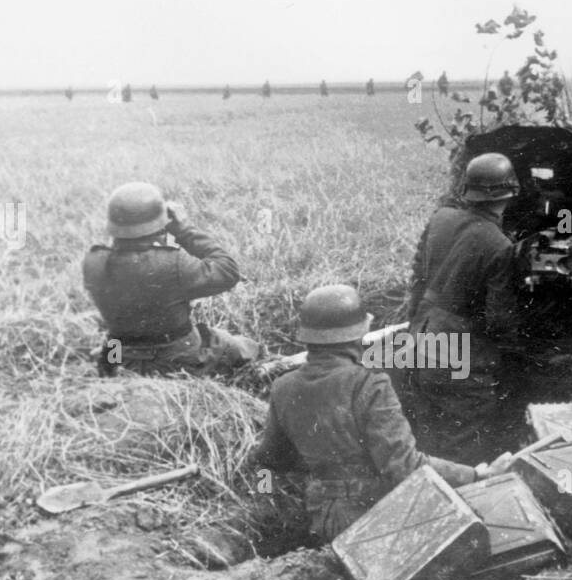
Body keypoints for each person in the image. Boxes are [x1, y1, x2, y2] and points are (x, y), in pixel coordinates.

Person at [251, 285, 511, 542]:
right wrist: (474, 475)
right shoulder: (369, 384)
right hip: (378, 518)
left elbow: (270, 459)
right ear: (358, 334)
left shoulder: (282, 387)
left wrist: (265, 500)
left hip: (323, 518)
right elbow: (404, 466)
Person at [403, 152, 522, 461]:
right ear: (510, 194)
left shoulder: (440, 217)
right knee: (467, 444)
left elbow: (418, 278)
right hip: (461, 359)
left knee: (427, 439)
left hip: (421, 340)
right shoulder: (500, 246)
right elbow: (499, 321)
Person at [82, 182, 261, 376]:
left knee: (112, 350)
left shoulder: (93, 261)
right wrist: (183, 229)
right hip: (175, 360)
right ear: (159, 224)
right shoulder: (172, 262)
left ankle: (110, 370)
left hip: (118, 352)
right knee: (239, 345)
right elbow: (228, 270)